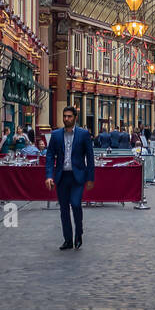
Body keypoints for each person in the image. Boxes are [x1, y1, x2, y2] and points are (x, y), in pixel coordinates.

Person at [45, 105, 95, 250]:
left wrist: (90, 178)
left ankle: (78, 233)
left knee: (76, 204)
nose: (66, 119)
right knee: (64, 209)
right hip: (61, 177)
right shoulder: (55, 135)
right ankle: (67, 240)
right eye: (65, 116)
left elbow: (90, 157)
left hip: (77, 177)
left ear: (75, 118)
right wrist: (49, 176)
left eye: (69, 116)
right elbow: (49, 156)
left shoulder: (84, 134)